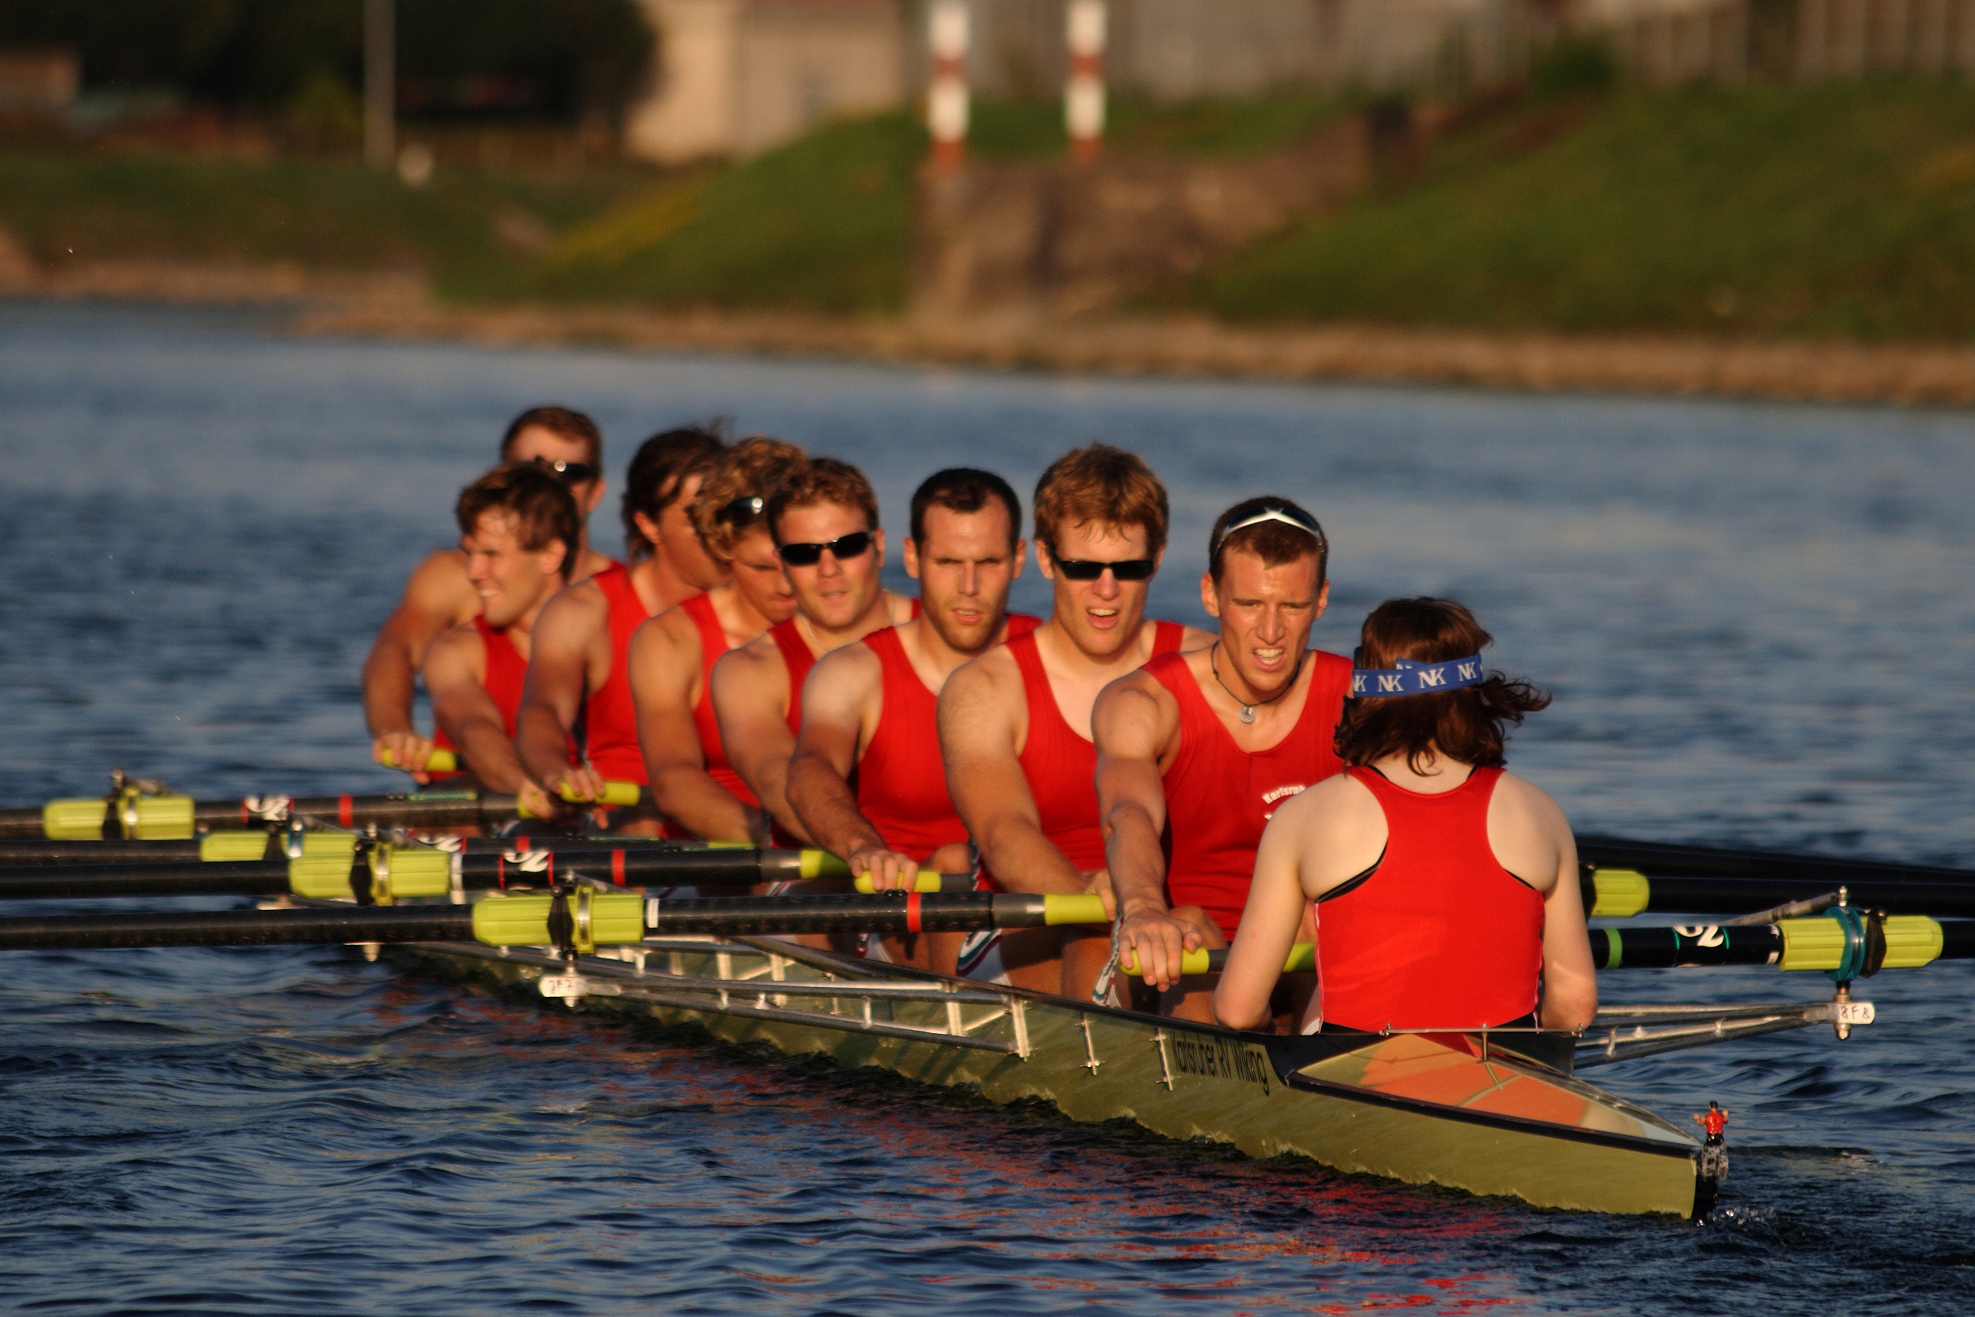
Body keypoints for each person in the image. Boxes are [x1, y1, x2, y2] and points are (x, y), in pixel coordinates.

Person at [1213, 597, 1597, 1037]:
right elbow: (1575, 1008)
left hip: (1355, 1082)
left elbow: (1237, 1011)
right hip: (1508, 1080)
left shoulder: (1305, 816)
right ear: (1470, 693)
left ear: (1366, 688)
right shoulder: (1540, 813)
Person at [938, 445, 1209, 996]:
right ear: (1044, 558)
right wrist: (1101, 903)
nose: (1105, 591)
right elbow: (1003, 835)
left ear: (1156, 559)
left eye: (1127, 568)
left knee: (1200, 926)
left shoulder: (1205, 665)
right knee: (1095, 941)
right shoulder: (984, 687)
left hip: (1163, 921)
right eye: (1084, 568)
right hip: (1031, 916)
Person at [1093, 497, 1351, 1021]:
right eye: (1250, 603)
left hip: (1307, 953)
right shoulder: (1141, 703)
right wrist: (1143, 907)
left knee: (1320, 913)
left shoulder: (1362, 703)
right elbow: (1128, 814)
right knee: (1189, 925)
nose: (1272, 633)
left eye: (1293, 607)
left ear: (1321, 600)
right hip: (1184, 950)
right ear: (1211, 595)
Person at [786, 469, 1039, 970]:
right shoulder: (853, 672)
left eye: (987, 562)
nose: (968, 587)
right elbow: (810, 769)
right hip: (898, 916)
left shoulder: (1056, 661)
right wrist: (862, 848)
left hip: (1032, 906)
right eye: (947, 563)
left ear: (1019, 560)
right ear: (911, 558)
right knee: (949, 863)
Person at [365, 406, 616, 779]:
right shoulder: (454, 576)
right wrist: (395, 729)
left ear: (595, 492)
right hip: (469, 807)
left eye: (570, 473)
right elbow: (395, 650)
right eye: (532, 469)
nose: (548, 483)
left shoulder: (623, 592)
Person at [514, 427, 727, 819]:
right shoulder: (582, 612)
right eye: (699, 520)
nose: (721, 534)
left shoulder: (772, 604)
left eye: (726, 515)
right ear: (648, 525)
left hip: (745, 827)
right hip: (635, 829)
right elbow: (541, 710)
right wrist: (554, 771)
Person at [711, 458, 918, 845]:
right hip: (829, 877)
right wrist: (869, 852)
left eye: (848, 547)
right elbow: (780, 781)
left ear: (879, 545)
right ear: (781, 561)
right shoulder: (747, 671)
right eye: (804, 554)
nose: (828, 570)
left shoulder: (947, 636)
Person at [626, 438, 807, 842]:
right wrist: (783, 844)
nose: (785, 585)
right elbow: (674, 780)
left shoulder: (857, 627)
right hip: (725, 863)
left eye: (797, 560)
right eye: (762, 567)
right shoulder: (669, 639)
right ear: (725, 549)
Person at [419, 464, 582, 819]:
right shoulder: (454, 651)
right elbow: (475, 729)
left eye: (491, 555)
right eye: (470, 553)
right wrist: (528, 788)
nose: (473, 573)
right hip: (493, 821)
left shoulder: (618, 640)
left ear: (551, 555)